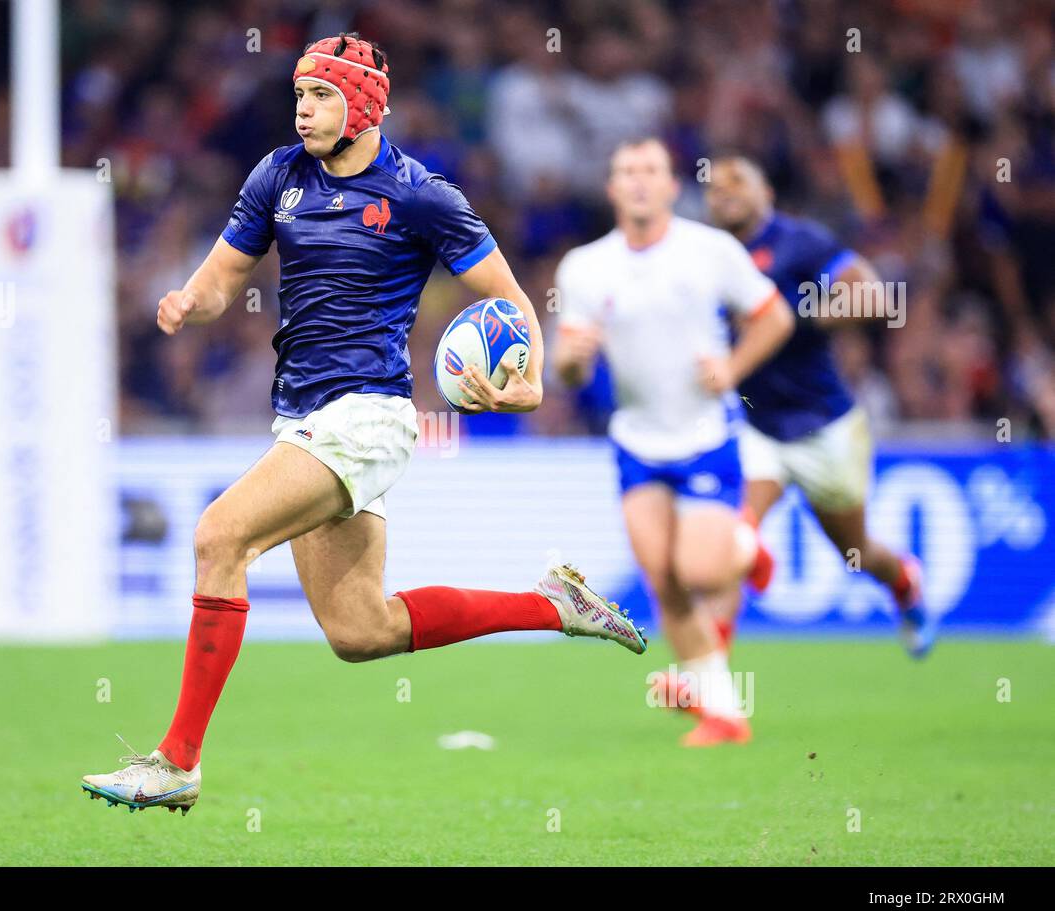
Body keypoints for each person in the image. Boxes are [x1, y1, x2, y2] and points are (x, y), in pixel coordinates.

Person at [81, 33, 646, 814]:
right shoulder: (277, 175)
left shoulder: (422, 195)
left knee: (218, 536)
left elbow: (512, 302)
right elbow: (219, 282)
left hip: (369, 417)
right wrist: (189, 302)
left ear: (365, 106)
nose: (303, 110)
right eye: (299, 96)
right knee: (361, 631)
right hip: (302, 421)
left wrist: (530, 381)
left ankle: (178, 759)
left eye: (320, 96)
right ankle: (552, 604)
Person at [552, 138, 793, 747]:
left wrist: (734, 368)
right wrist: (575, 362)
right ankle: (724, 713)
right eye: (626, 171)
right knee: (662, 579)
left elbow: (774, 317)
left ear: (669, 186)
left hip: (705, 435)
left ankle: (745, 544)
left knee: (701, 568)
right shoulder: (584, 267)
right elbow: (568, 367)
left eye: (650, 172)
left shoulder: (710, 251)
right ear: (612, 188)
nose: (637, 181)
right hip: (637, 441)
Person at [703, 154, 932, 658]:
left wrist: (796, 320)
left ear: (768, 193)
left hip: (823, 423)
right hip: (756, 424)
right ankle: (709, 686)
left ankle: (904, 582)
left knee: (855, 552)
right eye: (714, 187)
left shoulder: (799, 242)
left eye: (738, 181)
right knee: (734, 541)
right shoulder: (706, 255)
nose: (725, 192)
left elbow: (877, 298)